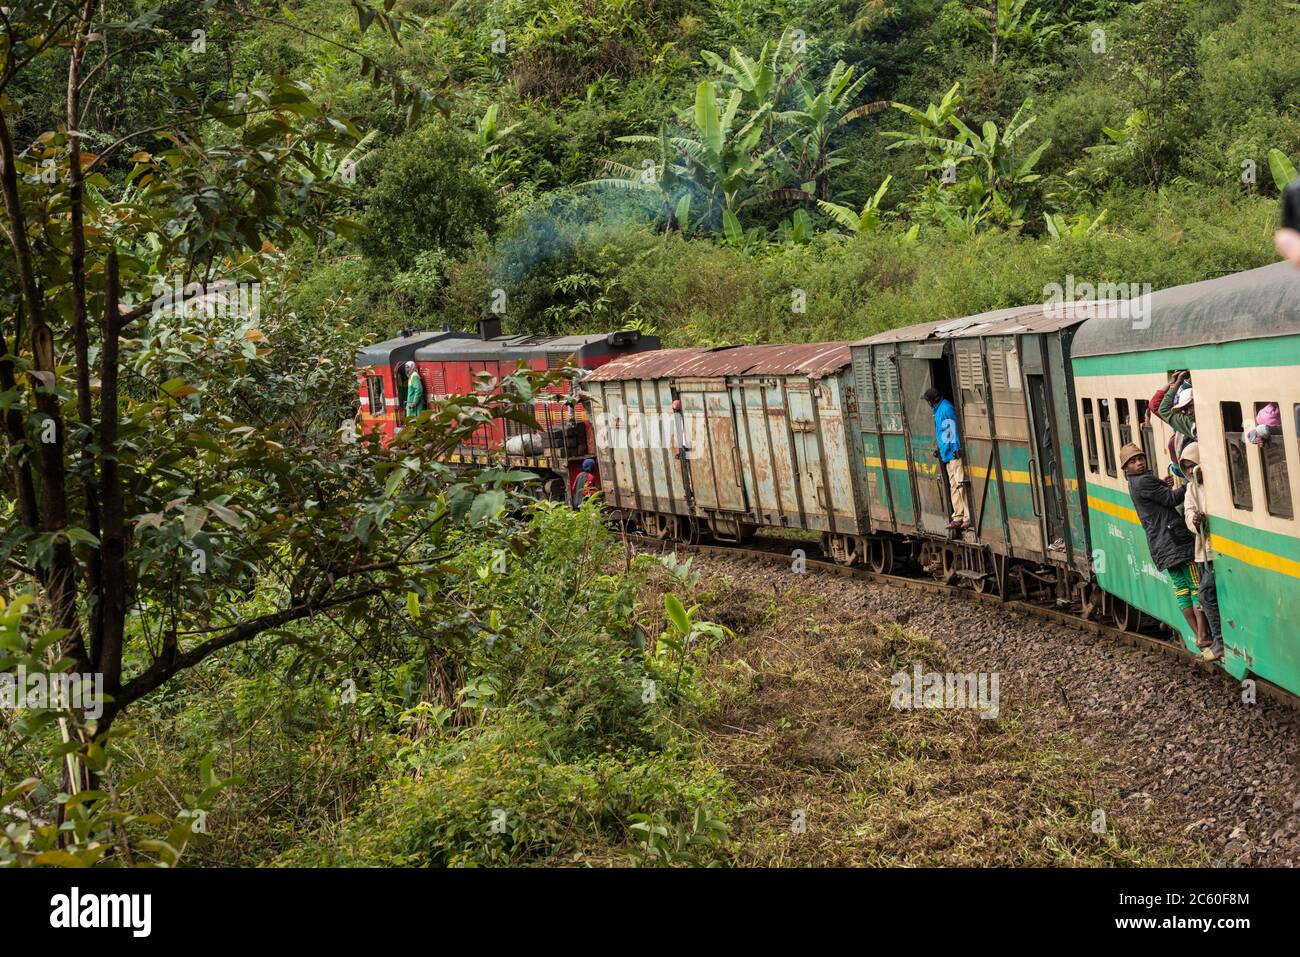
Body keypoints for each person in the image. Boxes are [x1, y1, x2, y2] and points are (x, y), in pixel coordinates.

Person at [1119, 442, 1212, 652]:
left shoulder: (1134, 483)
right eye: (1133, 462)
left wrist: (1161, 484)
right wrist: (1189, 484)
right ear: (1126, 468)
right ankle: (1204, 634)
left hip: (1161, 546)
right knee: (1196, 585)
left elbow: (1154, 497)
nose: (1139, 463)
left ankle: (1198, 635)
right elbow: (1170, 499)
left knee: (1181, 589)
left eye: (1140, 458)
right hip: (1175, 541)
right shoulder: (1143, 481)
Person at [1179, 443, 1223, 661]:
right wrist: (1195, 521)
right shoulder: (1190, 489)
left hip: (1217, 551)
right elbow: (1188, 515)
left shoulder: (1215, 483)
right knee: (1205, 595)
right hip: (1203, 551)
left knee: (1206, 593)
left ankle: (1220, 642)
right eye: (1185, 468)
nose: (1190, 471)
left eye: (1192, 465)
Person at [924, 387, 969, 531]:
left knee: (960, 485)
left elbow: (954, 430)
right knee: (954, 486)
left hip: (953, 453)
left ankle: (967, 516)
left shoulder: (946, 409)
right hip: (947, 454)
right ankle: (958, 516)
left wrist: (956, 448)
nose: (927, 404)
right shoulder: (938, 410)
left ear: (931, 401)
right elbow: (944, 433)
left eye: (927, 401)